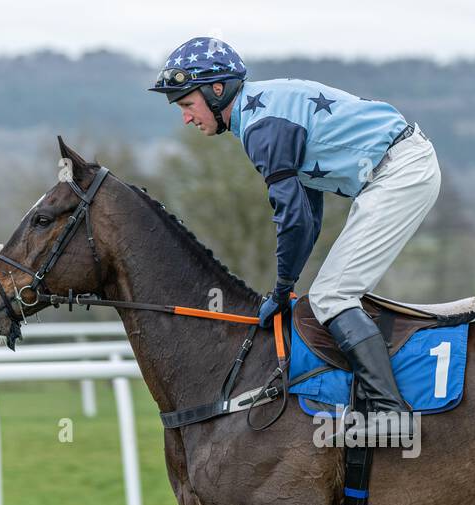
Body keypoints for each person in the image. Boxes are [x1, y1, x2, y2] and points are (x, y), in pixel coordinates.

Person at [150, 36, 441, 436]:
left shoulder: (261, 127)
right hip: (397, 169)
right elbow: (308, 214)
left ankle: (391, 414)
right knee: (329, 293)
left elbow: (293, 219)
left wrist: (282, 287)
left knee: (332, 296)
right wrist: (285, 290)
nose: (186, 117)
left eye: (187, 104)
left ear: (217, 89)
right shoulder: (263, 110)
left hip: (399, 174)